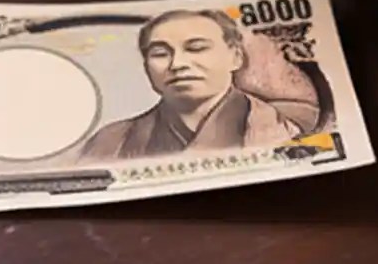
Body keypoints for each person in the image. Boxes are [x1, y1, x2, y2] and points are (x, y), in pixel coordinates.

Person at [79, 9, 302, 160]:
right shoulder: (110, 141)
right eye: (160, 53)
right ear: (146, 66)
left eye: (196, 48)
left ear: (235, 57)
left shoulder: (282, 131)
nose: (178, 64)